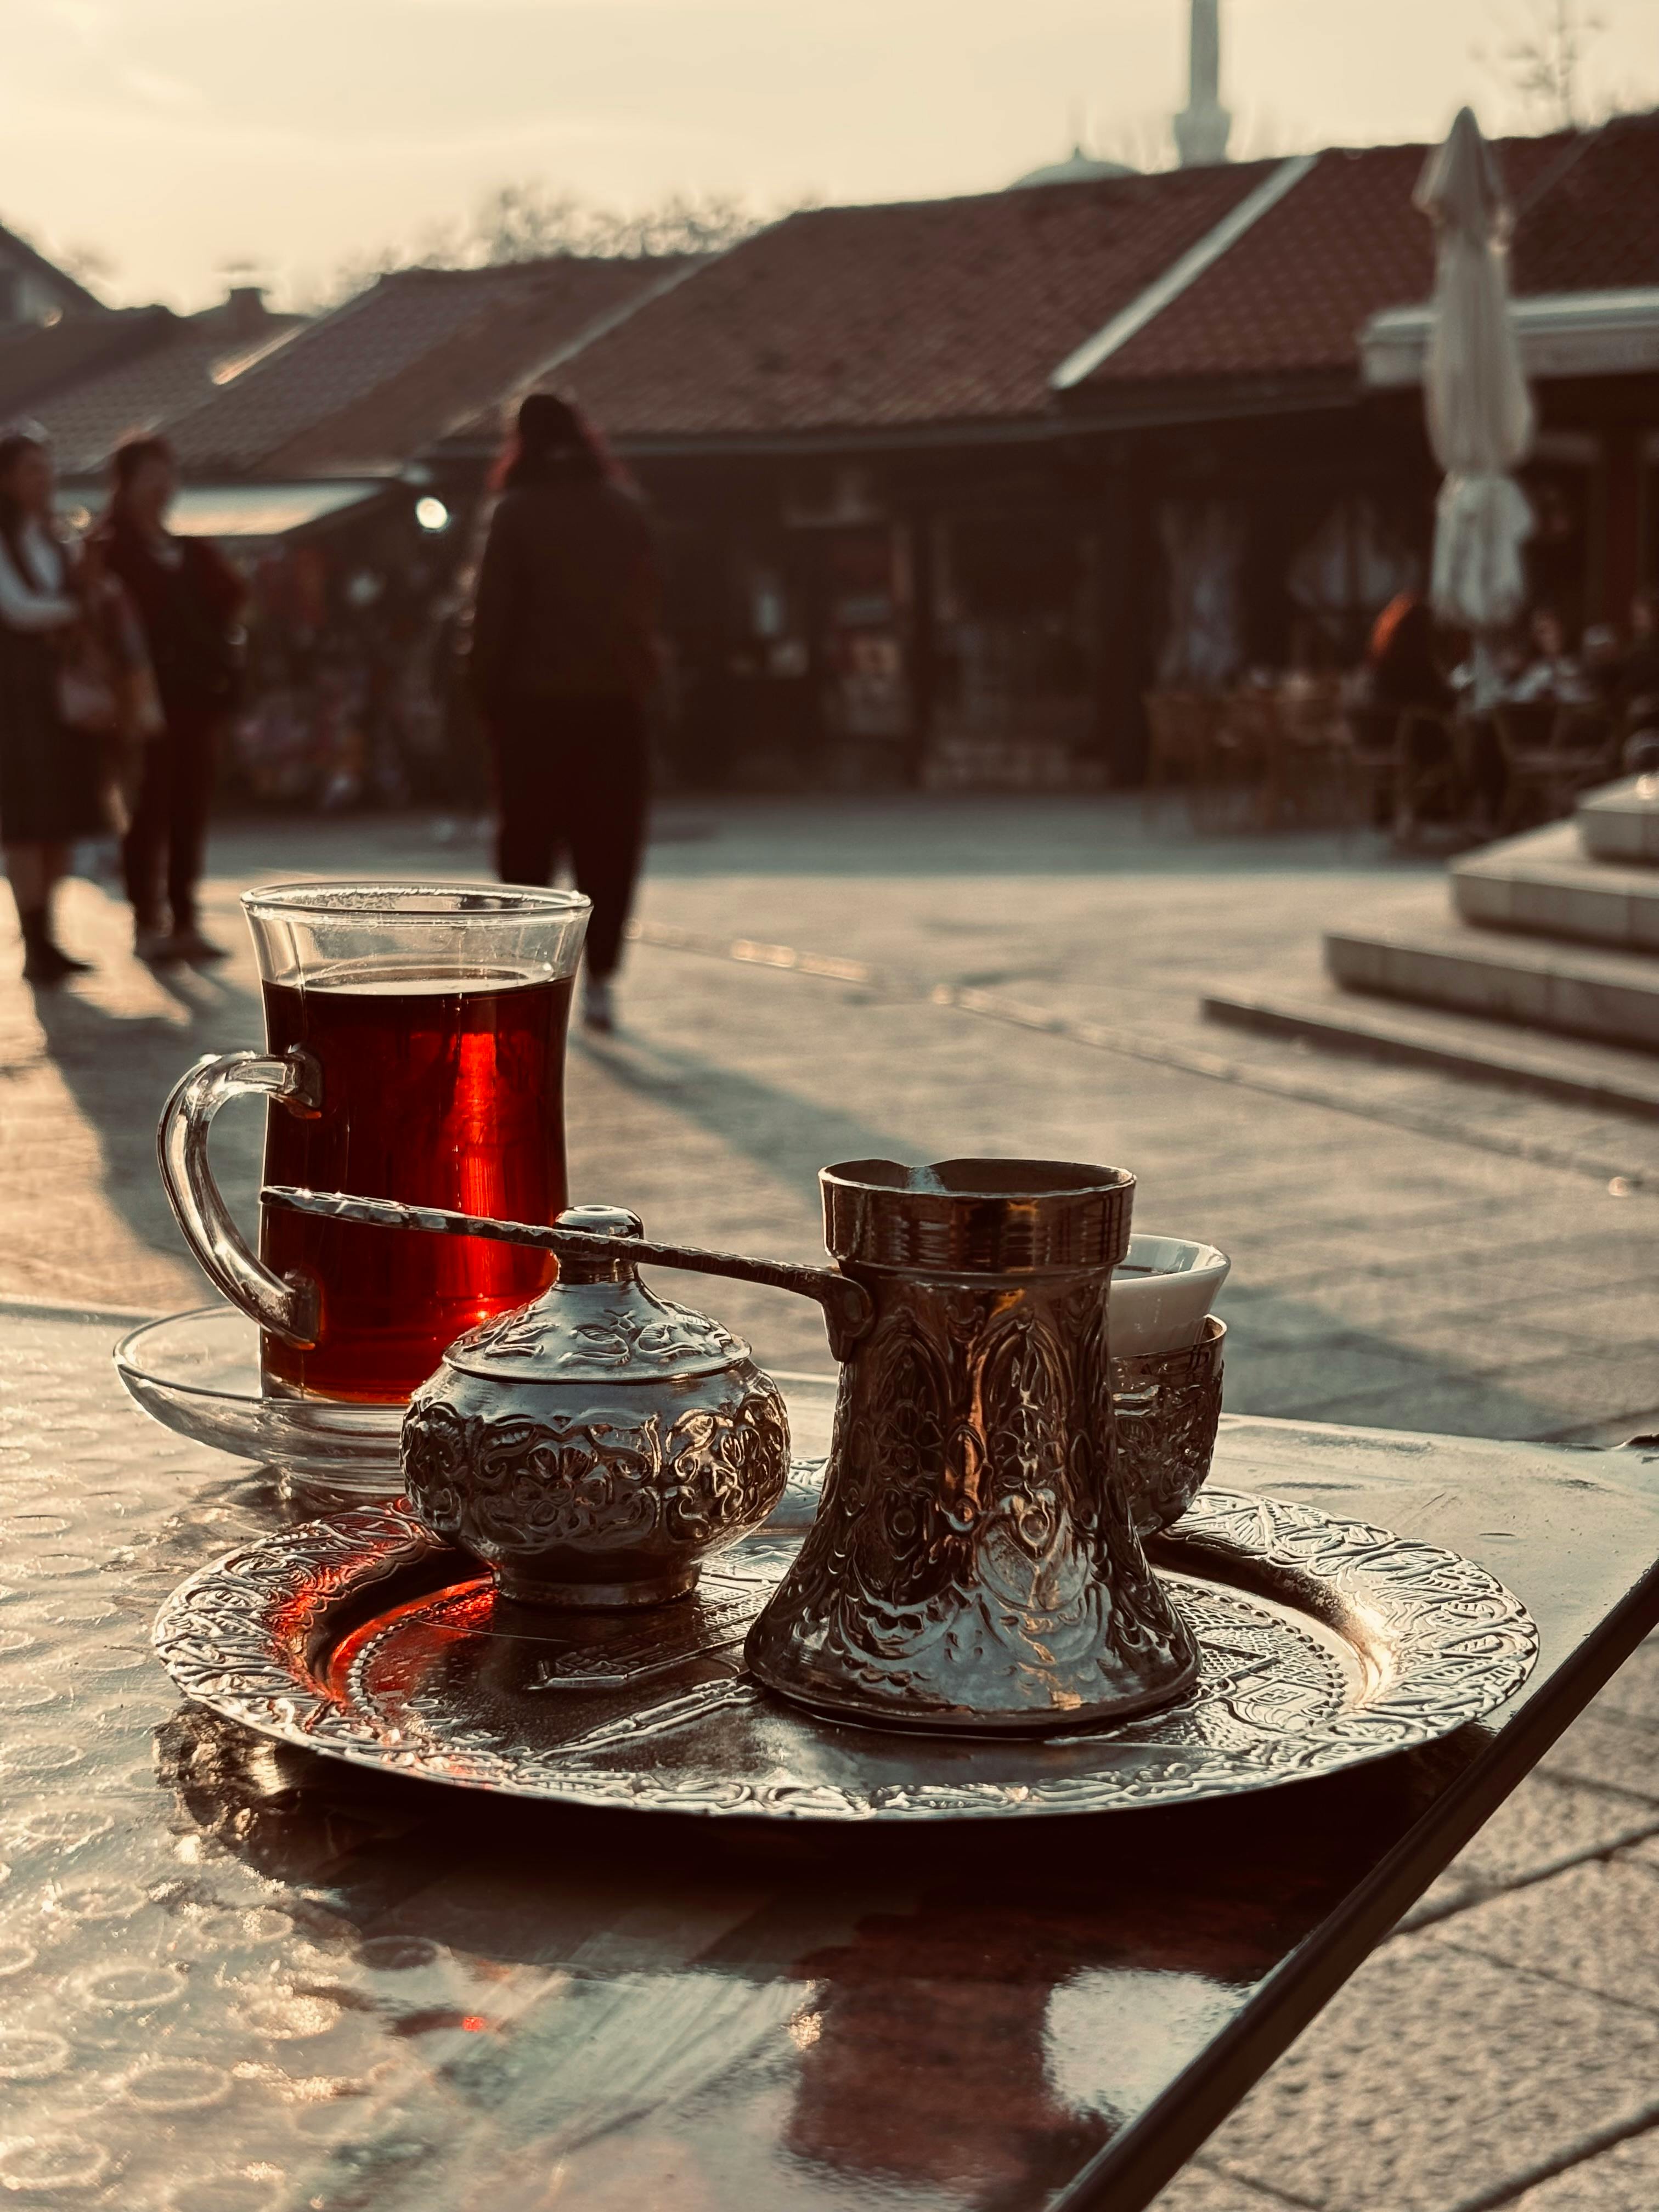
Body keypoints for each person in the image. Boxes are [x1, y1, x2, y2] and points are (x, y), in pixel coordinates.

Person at [468, 392, 663, 1034]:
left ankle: (529, 983)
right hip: (615, 706)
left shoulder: (514, 514)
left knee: (528, 848)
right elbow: (647, 610)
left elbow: (492, 619)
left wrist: (479, 695)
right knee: (608, 847)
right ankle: (601, 979)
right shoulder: (624, 510)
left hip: (532, 711)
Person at [92, 435, 247, 962]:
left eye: (168, 473)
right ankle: (146, 920)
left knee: (190, 806)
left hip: (195, 697)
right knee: (146, 806)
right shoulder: (109, 550)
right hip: (138, 698)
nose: (162, 485)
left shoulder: (192, 551)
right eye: (150, 474)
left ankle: (185, 917)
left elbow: (231, 601)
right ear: (126, 483)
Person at [0, 428, 106, 984]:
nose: (45, 479)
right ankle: (35, 937)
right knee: (25, 825)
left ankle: (50, 932)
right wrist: (74, 607)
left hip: (60, 695)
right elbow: (18, 611)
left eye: (47, 467)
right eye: (31, 470)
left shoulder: (56, 536)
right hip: (17, 700)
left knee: (60, 821)